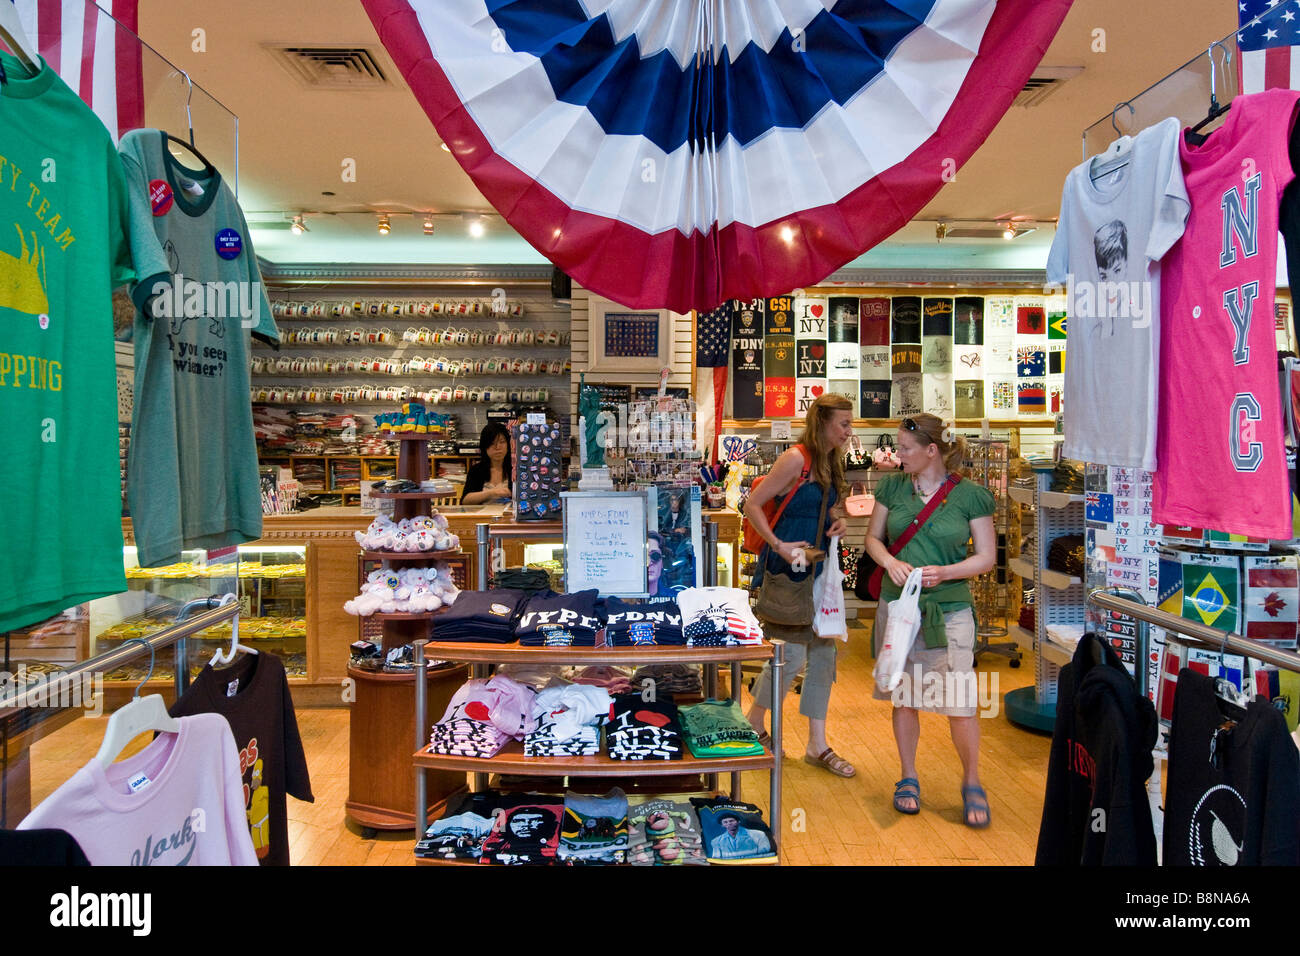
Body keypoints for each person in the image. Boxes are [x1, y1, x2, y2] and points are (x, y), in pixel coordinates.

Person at [863, 413, 997, 827]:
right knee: (904, 697)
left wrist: (947, 572)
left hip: (950, 609)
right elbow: (872, 539)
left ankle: (972, 779)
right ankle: (908, 775)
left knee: (959, 700)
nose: (898, 455)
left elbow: (987, 557)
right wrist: (889, 561)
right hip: (898, 608)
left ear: (931, 451)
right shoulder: (891, 487)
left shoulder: (971, 496)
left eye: (905, 449)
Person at [743, 393, 855, 778]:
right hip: (788, 573)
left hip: (821, 571)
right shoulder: (796, 459)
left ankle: (817, 743)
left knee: (824, 654)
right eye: (843, 423)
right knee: (790, 655)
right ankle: (755, 721)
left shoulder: (830, 461)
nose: (848, 430)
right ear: (822, 422)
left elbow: (825, 508)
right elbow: (753, 504)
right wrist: (777, 544)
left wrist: (837, 521)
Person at [460, 422, 512, 505]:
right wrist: (491, 493)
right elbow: (465, 501)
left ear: (508, 444)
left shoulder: (516, 469)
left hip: (508, 516)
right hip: (482, 517)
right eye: (492, 443)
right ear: (484, 447)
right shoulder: (476, 470)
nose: (498, 447)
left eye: (502, 442)